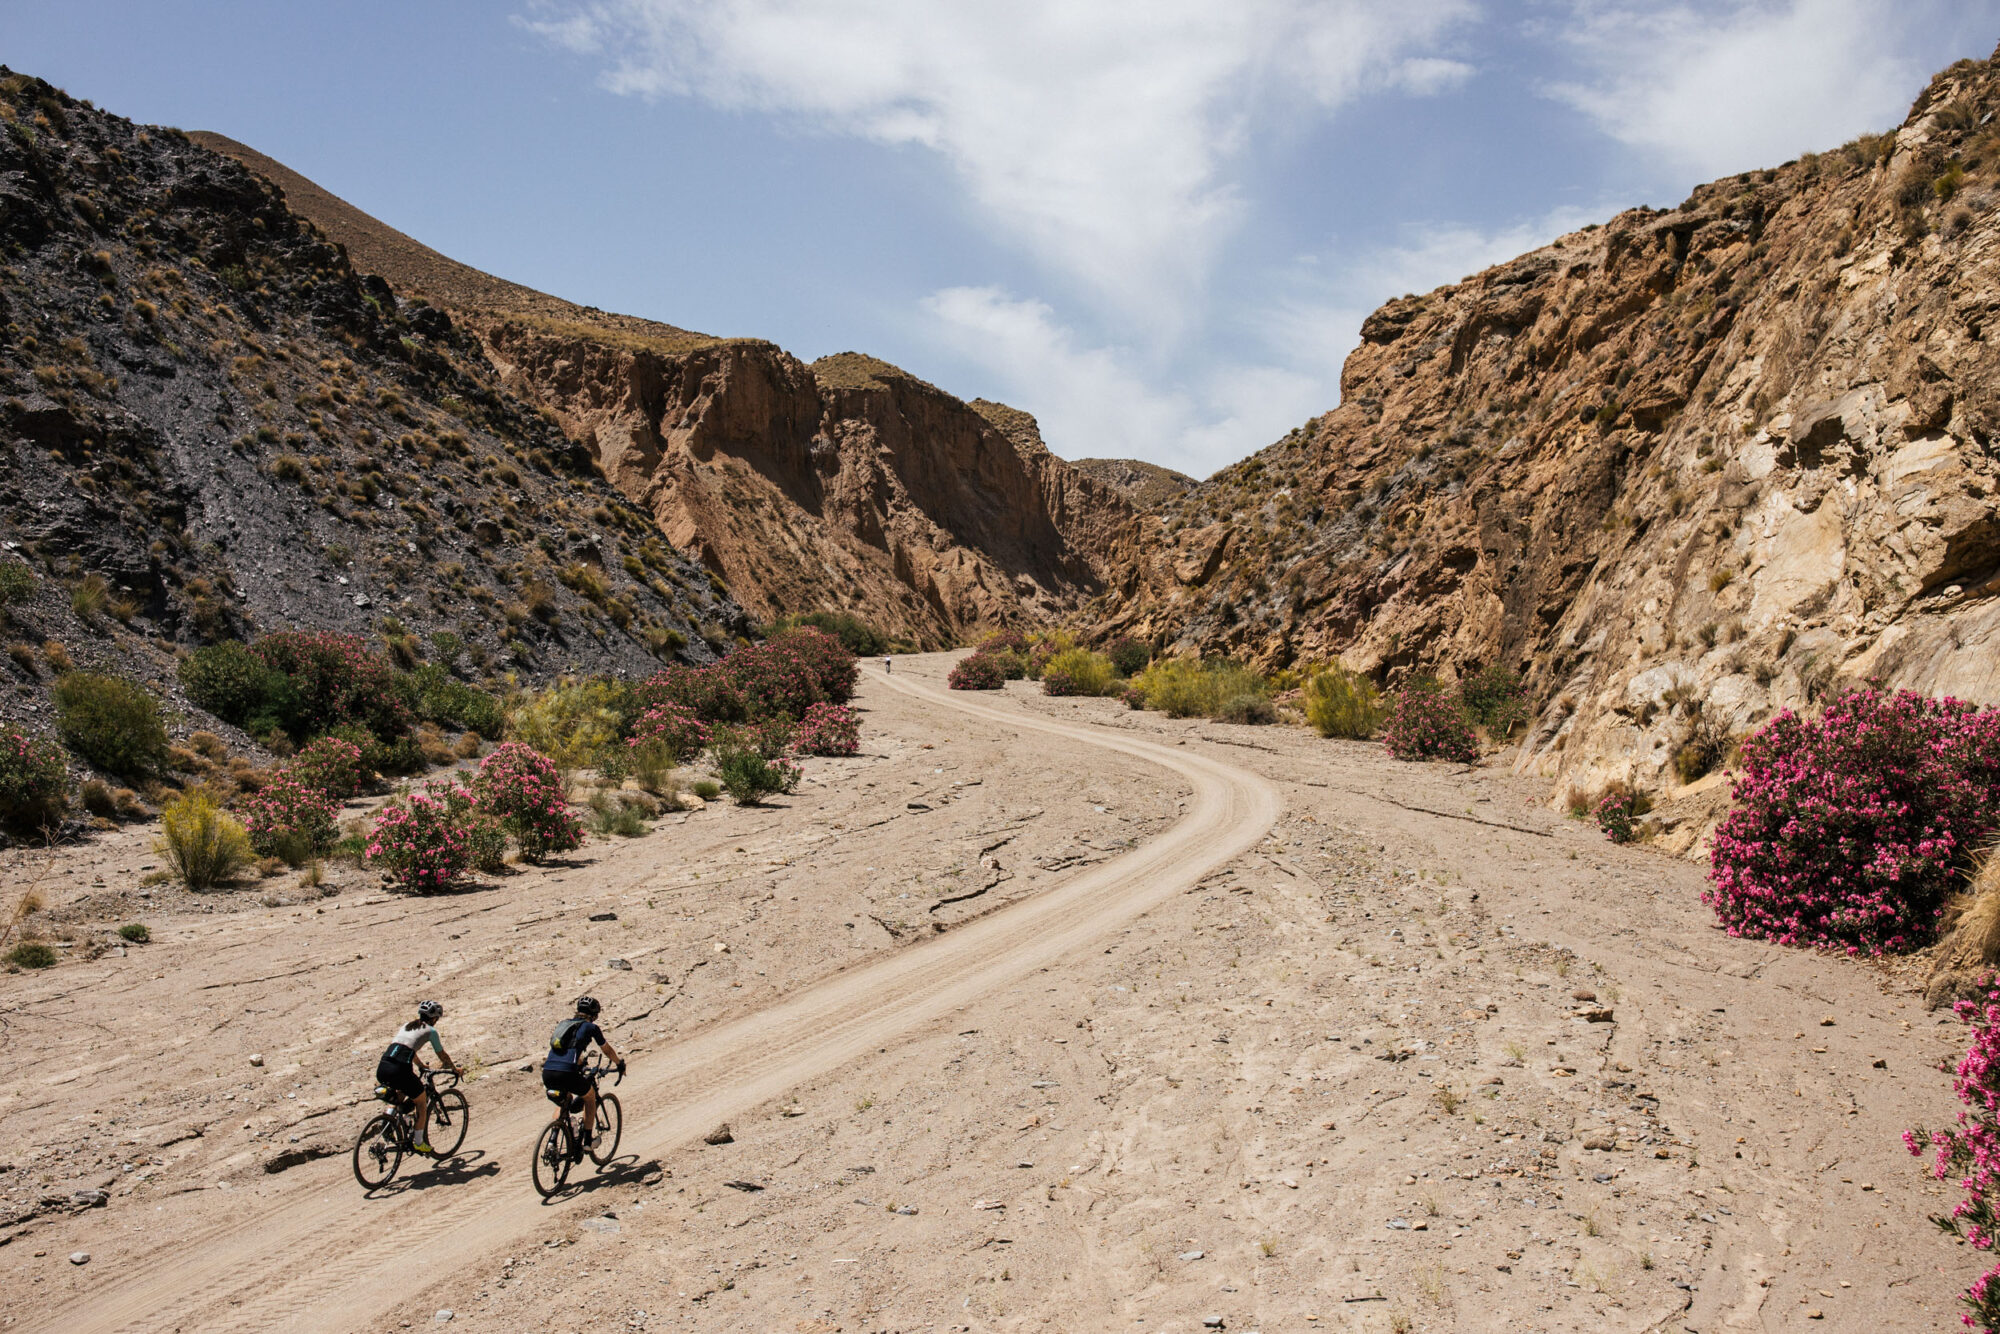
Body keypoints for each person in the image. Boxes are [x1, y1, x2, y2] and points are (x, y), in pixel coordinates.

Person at [376, 1000, 460, 1155]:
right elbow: (442, 1055)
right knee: (421, 1102)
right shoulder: (430, 1031)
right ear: (434, 1018)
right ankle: (419, 1142)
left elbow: (408, 1050)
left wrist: (421, 1066)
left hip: (384, 1066)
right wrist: (455, 1069)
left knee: (399, 1095)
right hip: (400, 1069)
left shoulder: (407, 1026)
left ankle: (387, 1121)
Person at [542, 995, 624, 1146]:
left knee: (565, 1100)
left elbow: (570, 1051)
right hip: (566, 1073)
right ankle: (587, 1140)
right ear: (594, 1015)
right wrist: (619, 1064)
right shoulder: (591, 1027)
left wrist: (580, 1064)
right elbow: (606, 1049)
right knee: (590, 1096)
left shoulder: (564, 1025)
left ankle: (552, 1141)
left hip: (547, 1072)